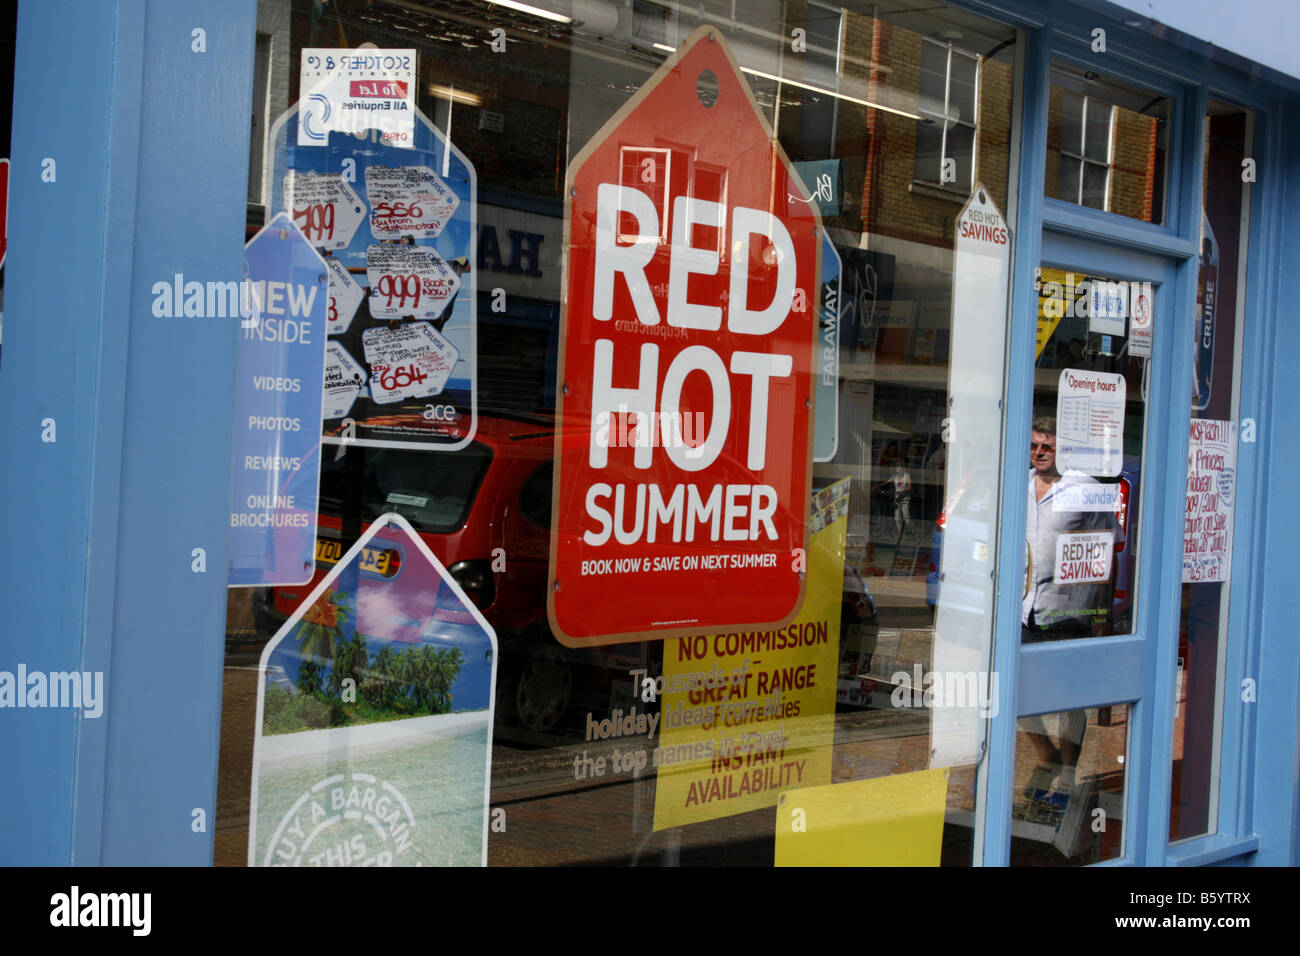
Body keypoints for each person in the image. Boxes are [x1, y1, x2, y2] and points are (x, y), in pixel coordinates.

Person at [1020, 416, 1118, 798]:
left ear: (1064, 449)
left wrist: (1101, 613)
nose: (1040, 453)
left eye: (1048, 446)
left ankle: (1067, 774)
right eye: (1034, 446)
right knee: (1020, 692)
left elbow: (1107, 550)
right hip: (1024, 607)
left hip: (1068, 609)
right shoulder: (1021, 484)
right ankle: (1046, 757)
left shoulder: (1085, 488)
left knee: (1068, 699)